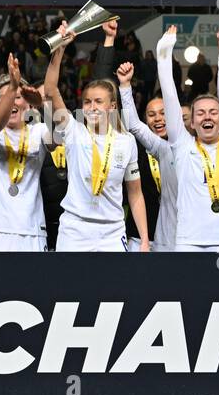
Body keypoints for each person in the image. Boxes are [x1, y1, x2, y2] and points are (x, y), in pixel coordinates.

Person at [44, 21, 149, 251]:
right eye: (87, 102)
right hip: (74, 230)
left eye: (98, 102)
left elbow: (135, 194)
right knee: (69, 288)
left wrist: (143, 240)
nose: (91, 107)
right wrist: (59, 50)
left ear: (112, 107)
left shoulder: (126, 141)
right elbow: (51, 90)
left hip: (112, 232)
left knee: (113, 289)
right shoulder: (74, 131)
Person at [157, 22, 219, 251]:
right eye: (200, 113)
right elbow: (170, 95)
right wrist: (164, 52)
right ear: (191, 122)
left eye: (213, 112)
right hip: (187, 242)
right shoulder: (181, 145)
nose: (206, 117)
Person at [0, 55, 48, 251]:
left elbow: (60, 137)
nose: (13, 101)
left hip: (32, 230)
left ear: (28, 103)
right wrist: (14, 86)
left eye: (18, 96)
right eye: (6, 97)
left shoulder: (38, 131)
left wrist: (43, 105)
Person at [116, 61, 177, 250]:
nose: (158, 118)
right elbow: (132, 123)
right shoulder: (137, 148)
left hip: (177, 236)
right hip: (140, 237)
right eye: (151, 115)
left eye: (163, 113)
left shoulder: (186, 148)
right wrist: (125, 86)